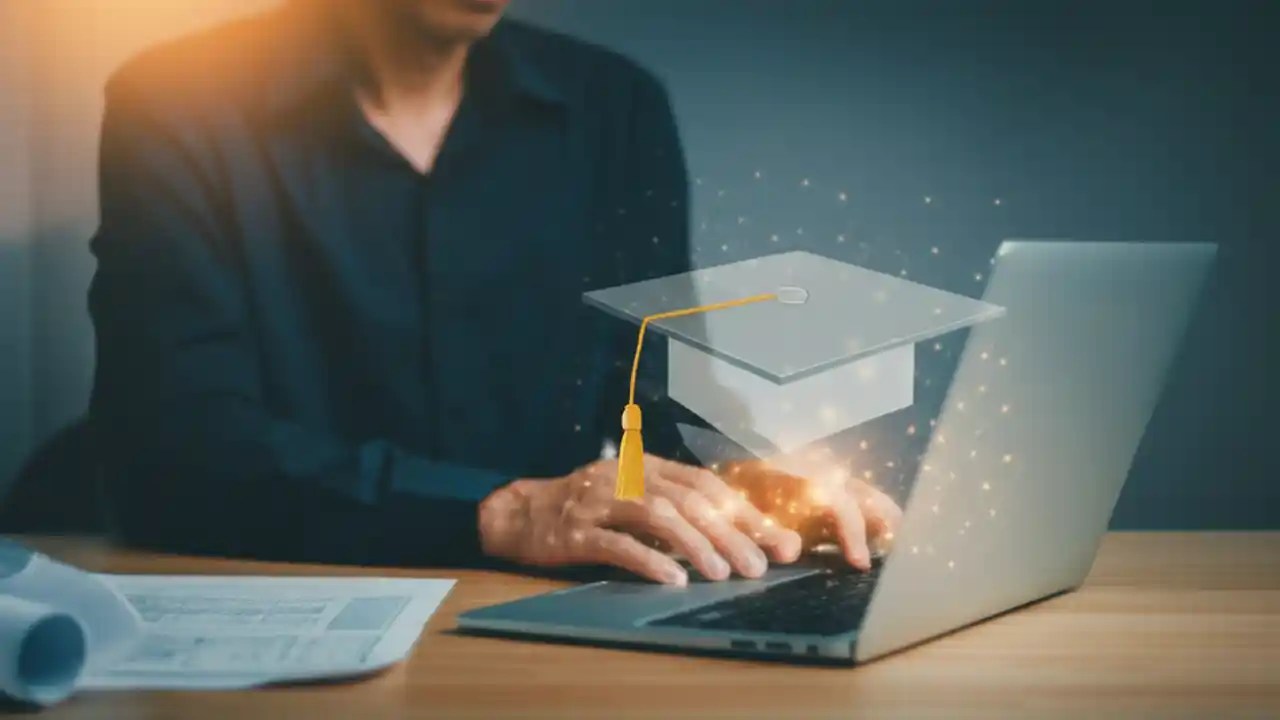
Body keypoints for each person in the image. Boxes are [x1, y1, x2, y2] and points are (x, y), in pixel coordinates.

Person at [88, 0, 900, 585]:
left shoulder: (614, 105)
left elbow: (649, 400)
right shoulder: (176, 102)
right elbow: (180, 448)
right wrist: (505, 512)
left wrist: (749, 490)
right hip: (280, 598)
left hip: (532, 613)